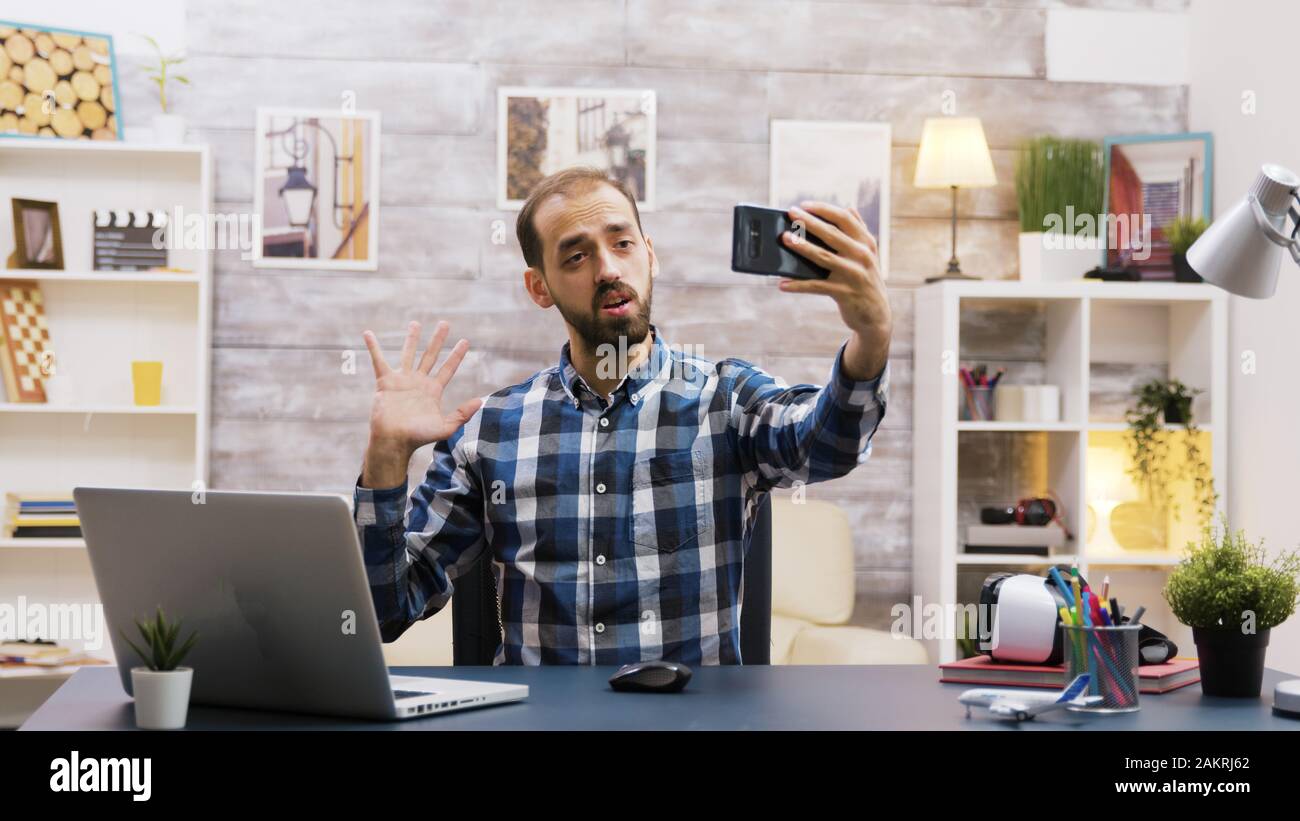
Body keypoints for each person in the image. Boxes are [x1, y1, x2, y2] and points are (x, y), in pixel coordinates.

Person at [355, 166, 892, 665]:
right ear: (539, 287)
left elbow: (828, 444)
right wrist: (386, 457)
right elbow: (383, 612)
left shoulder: (726, 400)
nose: (609, 269)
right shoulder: (489, 432)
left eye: (622, 243)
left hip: (690, 719)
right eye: (576, 256)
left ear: (650, 255)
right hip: (542, 719)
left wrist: (870, 336)